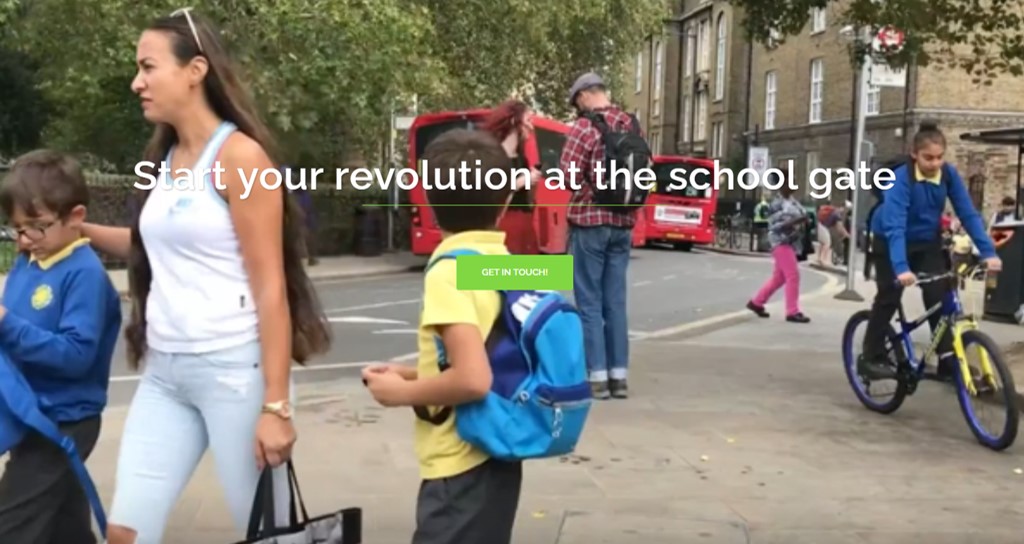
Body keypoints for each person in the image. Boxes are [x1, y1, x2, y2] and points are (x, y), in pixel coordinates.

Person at [79, 9, 331, 543]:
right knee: (125, 532)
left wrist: (276, 406)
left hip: (235, 374)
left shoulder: (240, 158)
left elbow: (271, 289)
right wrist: (82, 233)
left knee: (271, 535)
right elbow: (157, 245)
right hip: (165, 376)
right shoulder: (166, 159)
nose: (136, 82)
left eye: (148, 67)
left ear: (195, 70)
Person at [362, 129, 522, 544]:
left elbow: (472, 379)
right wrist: (413, 373)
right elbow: (487, 354)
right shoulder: (506, 262)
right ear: (504, 203)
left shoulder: (448, 271)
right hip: (501, 453)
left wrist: (398, 394)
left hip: (457, 461)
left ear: (430, 204)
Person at [0, 150, 122, 544]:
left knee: (12, 526)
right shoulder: (32, 258)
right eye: (16, 228)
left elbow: (74, 357)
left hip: (62, 420)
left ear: (76, 217)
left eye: (37, 226)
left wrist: (6, 324)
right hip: (31, 414)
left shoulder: (83, 274)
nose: (25, 239)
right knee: (62, 527)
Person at [859, 121, 1001, 381]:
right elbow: (895, 226)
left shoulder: (947, 175)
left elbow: (967, 213)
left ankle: (947, 359)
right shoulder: (900, 180)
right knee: (889, 295)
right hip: (890, 239)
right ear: (914, 154)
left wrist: (988, 252)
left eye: (939, 158)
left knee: (940, 295)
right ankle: (871, 356)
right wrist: (901, 268)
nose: (934, 163)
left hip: (927, 242)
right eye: (928, 158)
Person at [561, 72, 641, 400]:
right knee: (615, 302)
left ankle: (596, 377)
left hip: (590, 224)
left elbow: (568, 176)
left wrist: (586, 190)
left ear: (584, 96)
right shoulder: (632, 125)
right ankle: (619, 377)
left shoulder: (584, 127)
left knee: (589, 302)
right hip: (623, 224)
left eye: (577, 102)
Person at [481, 99, 544, 254]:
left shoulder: (522, 157)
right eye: (528, 120)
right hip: (504, 226)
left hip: (524, 225)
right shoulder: (493, 156)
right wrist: (521, 181)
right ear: (514, 121)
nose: (531, 126)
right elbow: (491, 194)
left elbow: (528, 199)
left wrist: (532, 182)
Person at [746, 176, 811, 323]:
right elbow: (773, 226)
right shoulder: (776, 203)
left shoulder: (793, 201)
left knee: (779, 277)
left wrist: (805, 219)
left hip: (792, 242)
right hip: (780, 241)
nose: (794, 184)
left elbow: (802, 215)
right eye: (790, 182)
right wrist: (796, 221)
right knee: (793, 275)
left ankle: (756, 303)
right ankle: (792, 312)